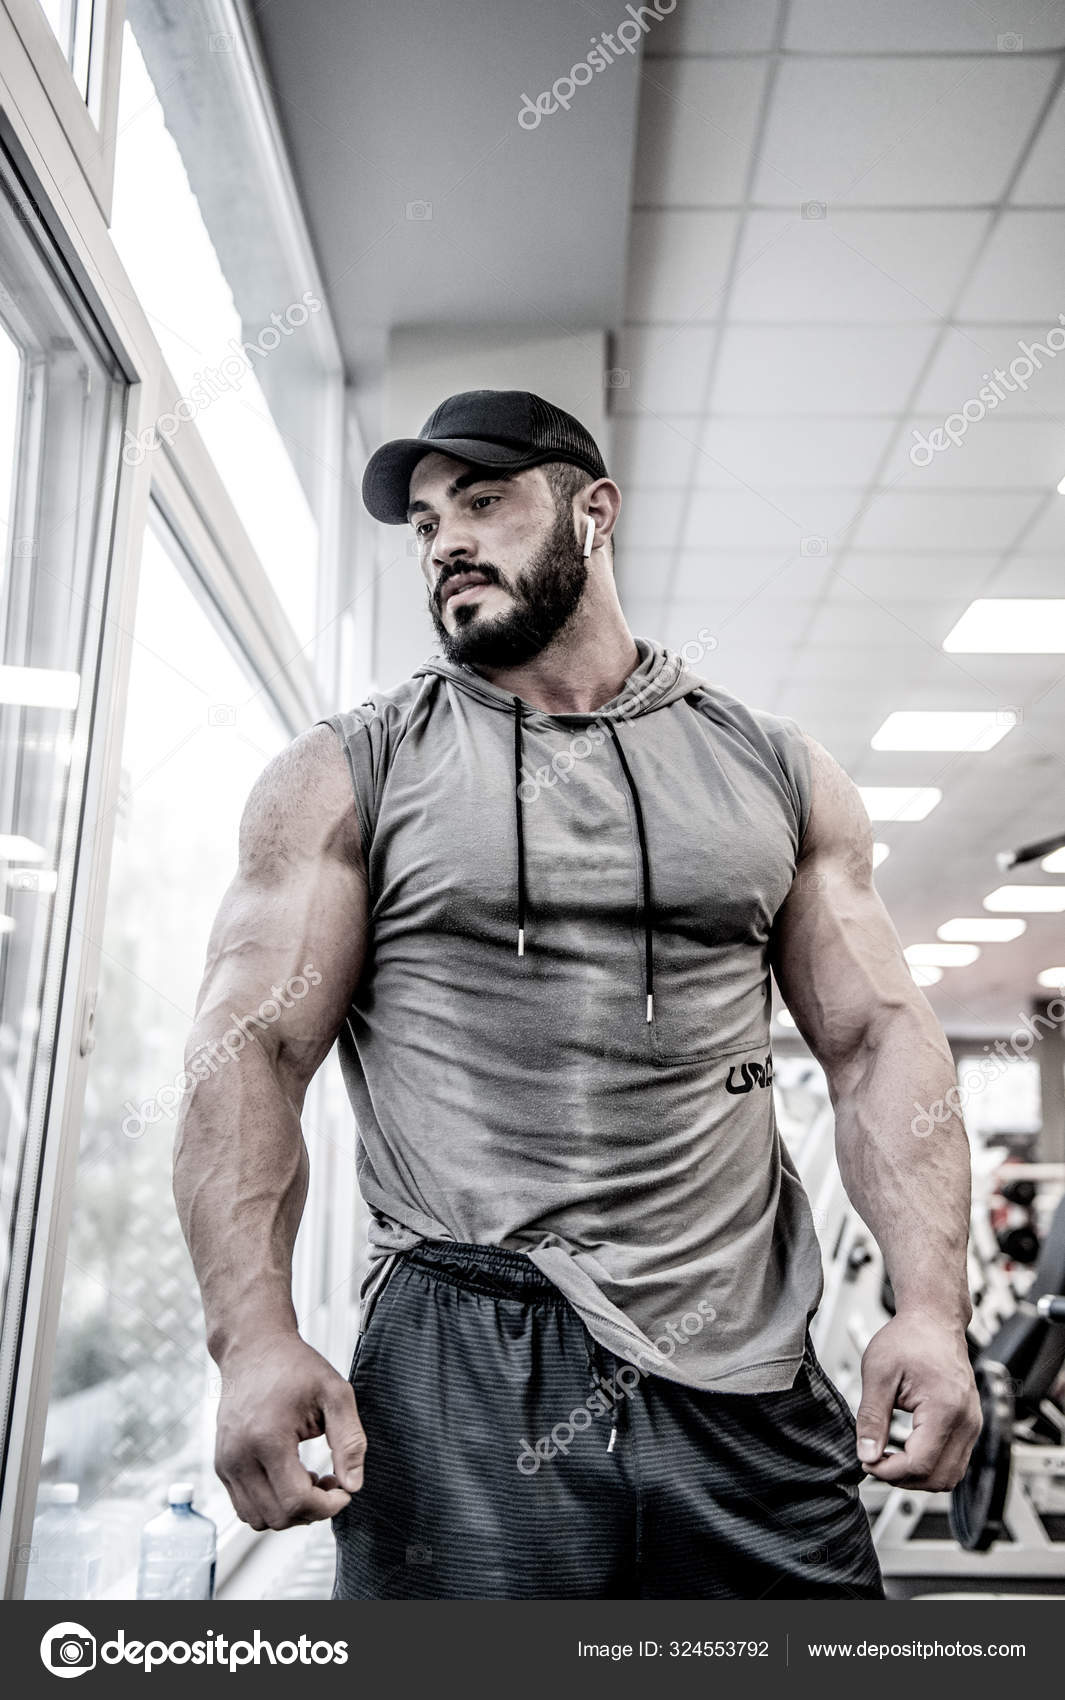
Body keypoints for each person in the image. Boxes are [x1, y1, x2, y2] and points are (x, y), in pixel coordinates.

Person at [173, 389, 980, 1599]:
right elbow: (248, 1051)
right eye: (426, 520)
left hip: (742, 1360)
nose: (446, 539)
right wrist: (251, 1337)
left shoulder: (773, 766)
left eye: (485, 500)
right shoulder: (349, 772)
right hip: (465, 1354)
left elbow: (876, 1042)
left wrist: (932, 1305)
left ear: (593, 511)